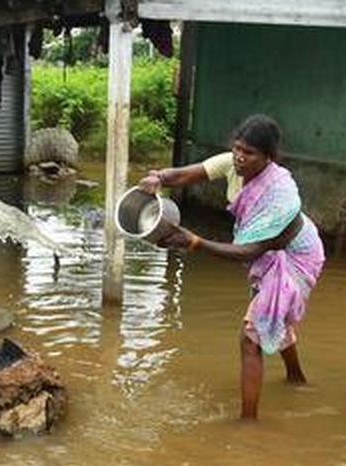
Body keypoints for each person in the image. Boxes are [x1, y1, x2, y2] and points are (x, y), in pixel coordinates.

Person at [138, 115, 325, 420]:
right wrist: (159, 177)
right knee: (272, 313)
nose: (240, 157)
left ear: (268, 158)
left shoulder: (282, 194)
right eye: (237, 148)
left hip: (297, 257)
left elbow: (249, 251)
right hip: (265, 253)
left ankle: (248, 422)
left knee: (250, 338)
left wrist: (195, 242)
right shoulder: (231, 163)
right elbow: (185, 175)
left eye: (249, 153)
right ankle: (296, 379)